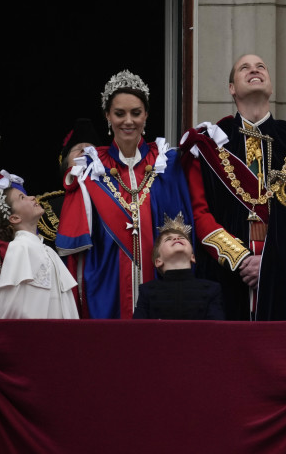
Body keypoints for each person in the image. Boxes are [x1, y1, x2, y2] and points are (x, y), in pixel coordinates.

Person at [181, 54, 286, 320]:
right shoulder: (209, 143)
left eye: (261, 67)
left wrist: (271, 262)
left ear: (270, 87)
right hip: (225, 276)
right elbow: (198, 213)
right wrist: (240, 259)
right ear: (232, 88)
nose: (254, 70)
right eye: (244, 67)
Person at [56, 71, 195, 319]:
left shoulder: (167, 162)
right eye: (119, 113)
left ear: (146, 115)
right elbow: (77, 245)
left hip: (161, 284)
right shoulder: (90, 167)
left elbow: (184, 226)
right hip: (106, 284)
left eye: (136, 113)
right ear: (108, 116)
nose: (128, 121)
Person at [0, 170, 79, 319]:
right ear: (15, 218)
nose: (32, 197)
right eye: (22, 197)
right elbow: (8, 308)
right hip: (33, 338)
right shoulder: (19, 248)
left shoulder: (49, 251)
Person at [132, 214, 224, 320]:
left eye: (182, 238)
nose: (176, 238)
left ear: (193, 257)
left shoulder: (211, 289)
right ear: (158, 261)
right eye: (168, 239)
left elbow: (218, 331)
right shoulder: (147, 291)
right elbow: (138, 330)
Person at [36, 118, 102, 246]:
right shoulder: (47, 207)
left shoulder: (117, 196)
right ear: (65, 164)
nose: (84, 151)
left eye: (90, 149)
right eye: (77, 149)